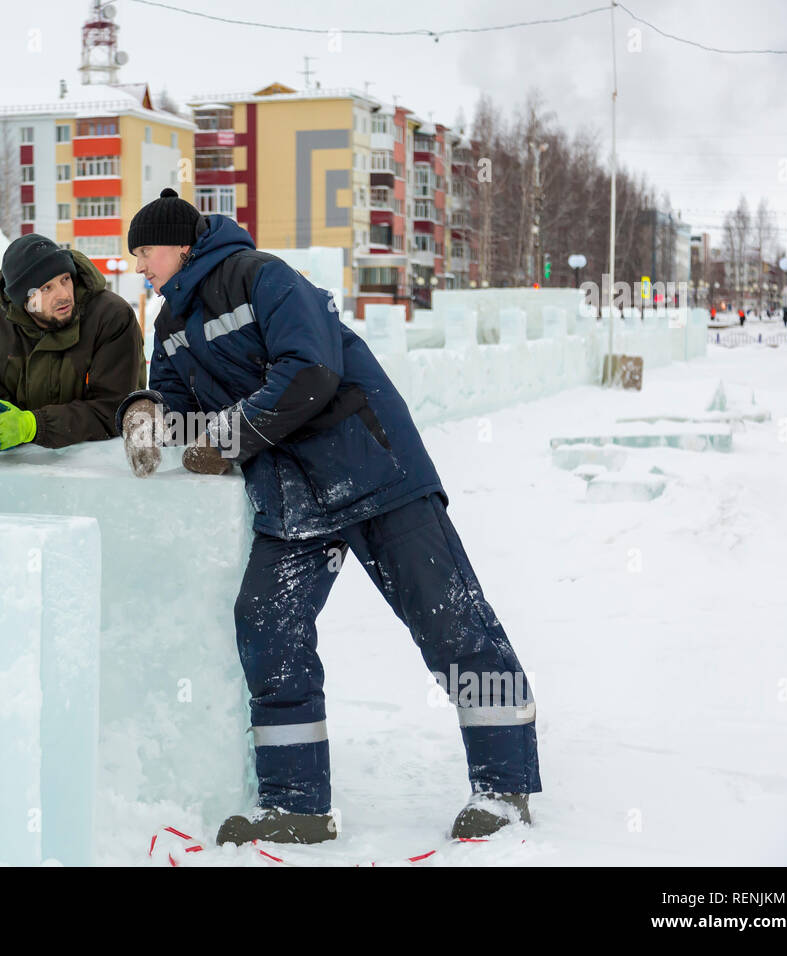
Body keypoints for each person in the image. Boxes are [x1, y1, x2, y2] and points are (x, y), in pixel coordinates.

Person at [117, 189, 541, 846]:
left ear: (178, 243)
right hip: (292, 500)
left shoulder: (263, 277)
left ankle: (504, 785)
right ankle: (297, 805)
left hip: (373, 469)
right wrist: (146, 413)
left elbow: (309, 370)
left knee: (450, 621)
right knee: (267, 625)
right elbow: (175, 404)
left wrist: (229, 437)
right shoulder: (169, 326)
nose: (139, 265)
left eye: (144, 251)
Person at [0, 234, 146, 456]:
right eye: (46, 288)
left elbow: (114, 409)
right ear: (25, 300)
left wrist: (33, 425)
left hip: (99, 460)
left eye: (65, 279)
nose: (63, 295)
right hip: (19, 463)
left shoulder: (111, 317)